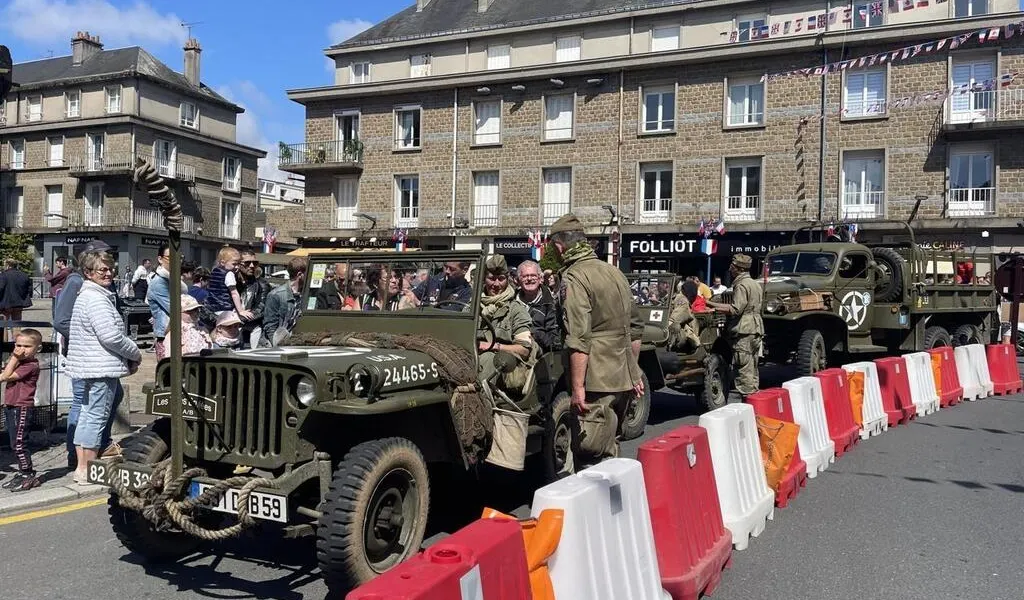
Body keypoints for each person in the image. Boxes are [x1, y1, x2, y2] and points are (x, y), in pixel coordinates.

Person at [549, 214, 644, 467]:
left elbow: (579, 337)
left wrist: (578, 387)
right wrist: (633, 372)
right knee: (611, 446)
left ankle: (598, 506)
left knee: (590, 453)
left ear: (559, 247)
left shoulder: (574, 277)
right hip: (622, 375)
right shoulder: (614, 272)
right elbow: (635, 329)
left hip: (596, 379)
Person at [66, 251, 141, 484]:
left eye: (110, 269)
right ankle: (86, 468)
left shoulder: (89, 295)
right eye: (102, 269)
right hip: (100, 367)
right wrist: (135, 353)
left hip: (90, 365)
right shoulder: (96, 298)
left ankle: (81, 467)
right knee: (95, 417)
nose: (108, 273)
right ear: (88, 273)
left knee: (88, 415)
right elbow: (111, 336)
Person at [54, 241, 112, 469]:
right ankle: (76, 456)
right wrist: (86, 339)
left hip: (100, 356)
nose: (107, 266)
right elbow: (61, 320)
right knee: (83, 403)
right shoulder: (76, 281)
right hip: (86, 355)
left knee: (107, 401)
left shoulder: (97, 283)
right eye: (102, 258)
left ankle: (96, 447)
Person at [707, 253, 765, 402]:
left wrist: (712, 305)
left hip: (743, 329)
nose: (729, 269)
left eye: (732, 267)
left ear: (738, 268)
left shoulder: (741, 285)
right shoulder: (755, 284)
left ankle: (748, 401)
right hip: (755, 328)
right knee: (753, 367)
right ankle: (755, 399)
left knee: (743, 367)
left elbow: (736, 309)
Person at [477, 255, 536, 396]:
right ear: (484, 279)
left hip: (505, 366)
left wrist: (493, 346)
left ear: (507, 280)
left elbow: (524, 349)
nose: (496, 284)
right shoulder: (472, 307)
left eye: (501, 279)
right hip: (473, 356)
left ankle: (478, 403)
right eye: (491, 278)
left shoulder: (516, 310)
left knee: (489, 359)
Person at [0, 329, 43, 492]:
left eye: (27, 346)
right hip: (11, 406)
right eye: (18, 345)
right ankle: (22, 472)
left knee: (19, 443)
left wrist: (14, 357)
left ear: (37, 349)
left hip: (22, 407)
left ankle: (28, 474)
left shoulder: (31, 365)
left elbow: (5, 376)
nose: (21, 349)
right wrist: (15, 359)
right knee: (13, 443)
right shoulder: (20, 363)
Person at [515, 260, 560, 353]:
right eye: (525, 276)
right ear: (518, 280)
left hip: (542, 358)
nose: (529, 279)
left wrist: (534, 333)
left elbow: (556, 341)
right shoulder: (510, 302)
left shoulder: (552, 304)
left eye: (533, 275)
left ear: (540, 279)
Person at [262, 257, 307, 346]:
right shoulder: (276, 295)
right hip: (282, 343)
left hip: (299, 341)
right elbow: (270, 325)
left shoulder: (307, 294)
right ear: (300, 275)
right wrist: (279, 346)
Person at [205, 247, 252, 321]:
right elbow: (234, 293)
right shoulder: (229, 274)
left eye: (238, 264)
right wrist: (241, 311)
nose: (237, 267)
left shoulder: (214, 271)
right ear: (223, 262)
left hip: (211, 307)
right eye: (234, 264)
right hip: (225, 308)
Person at [146, 242, 175, 359]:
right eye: (170, 257)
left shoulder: (174, 279)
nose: (176, 261)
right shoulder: (159, 282)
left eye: (179, 257)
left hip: (179, 332)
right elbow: (176, 308)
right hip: (166, 333)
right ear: (160, 259)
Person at [407, 261, 473, 310]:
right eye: (445, 267)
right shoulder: (433, 281)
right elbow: (412, 296)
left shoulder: (467, 292)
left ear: (464, 270)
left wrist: (421, 304)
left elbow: (452, 312)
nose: (447, 271)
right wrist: (409, 297)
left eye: (452, 269)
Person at [238, 251, 270, 348]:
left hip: (252, 322)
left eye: (255, 263)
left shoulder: (262, 284)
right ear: (239, 264)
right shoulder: (231, 282)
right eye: (247, 263)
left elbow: (261, 307)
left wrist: (242, 319)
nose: (252, 266)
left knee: (257, 329)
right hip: (233, 321)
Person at [0, 258, 32, 323]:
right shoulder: (24, 275)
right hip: (19, 303)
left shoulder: (3, 275)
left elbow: (0, 288)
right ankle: (16, 333)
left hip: (5, 304)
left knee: (4, 325)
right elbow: (29, 290)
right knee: (17, 324)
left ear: (8, 266)